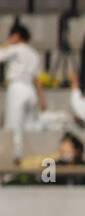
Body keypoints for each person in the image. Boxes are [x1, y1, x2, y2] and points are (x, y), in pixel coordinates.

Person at [0, 25, 43, 155]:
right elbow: (37, 78)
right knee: (29, 126)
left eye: (11, 36)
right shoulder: (34, 53)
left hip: (17, 88)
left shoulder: (16, 48)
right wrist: (42, 97)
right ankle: (30, 156)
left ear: (17, 36)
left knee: (13, 126)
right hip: (31, 90)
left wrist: (6, 44)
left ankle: (13, 159)